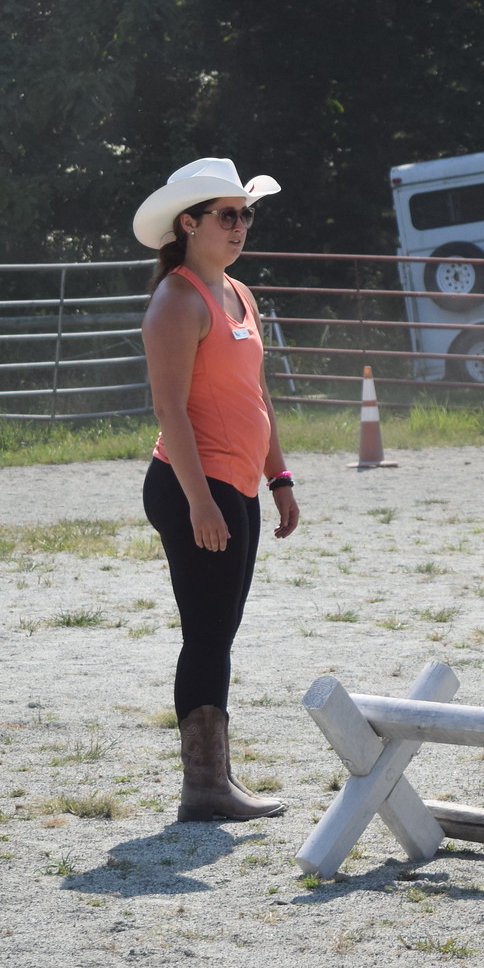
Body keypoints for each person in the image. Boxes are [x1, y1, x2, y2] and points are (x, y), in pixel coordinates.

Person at [133, 158, 298, 821]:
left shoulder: (238, 292)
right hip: (192, 486)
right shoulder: (176, 300)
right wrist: (200, 500)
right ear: (189, 223)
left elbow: (255, 394)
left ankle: (216, 778)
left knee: (219, 630)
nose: (240, 226)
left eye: (245, 214)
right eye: (226, 215)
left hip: (236, 485)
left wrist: (278, 476)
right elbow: (170, 409)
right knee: (206, 632)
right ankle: (205, 787)